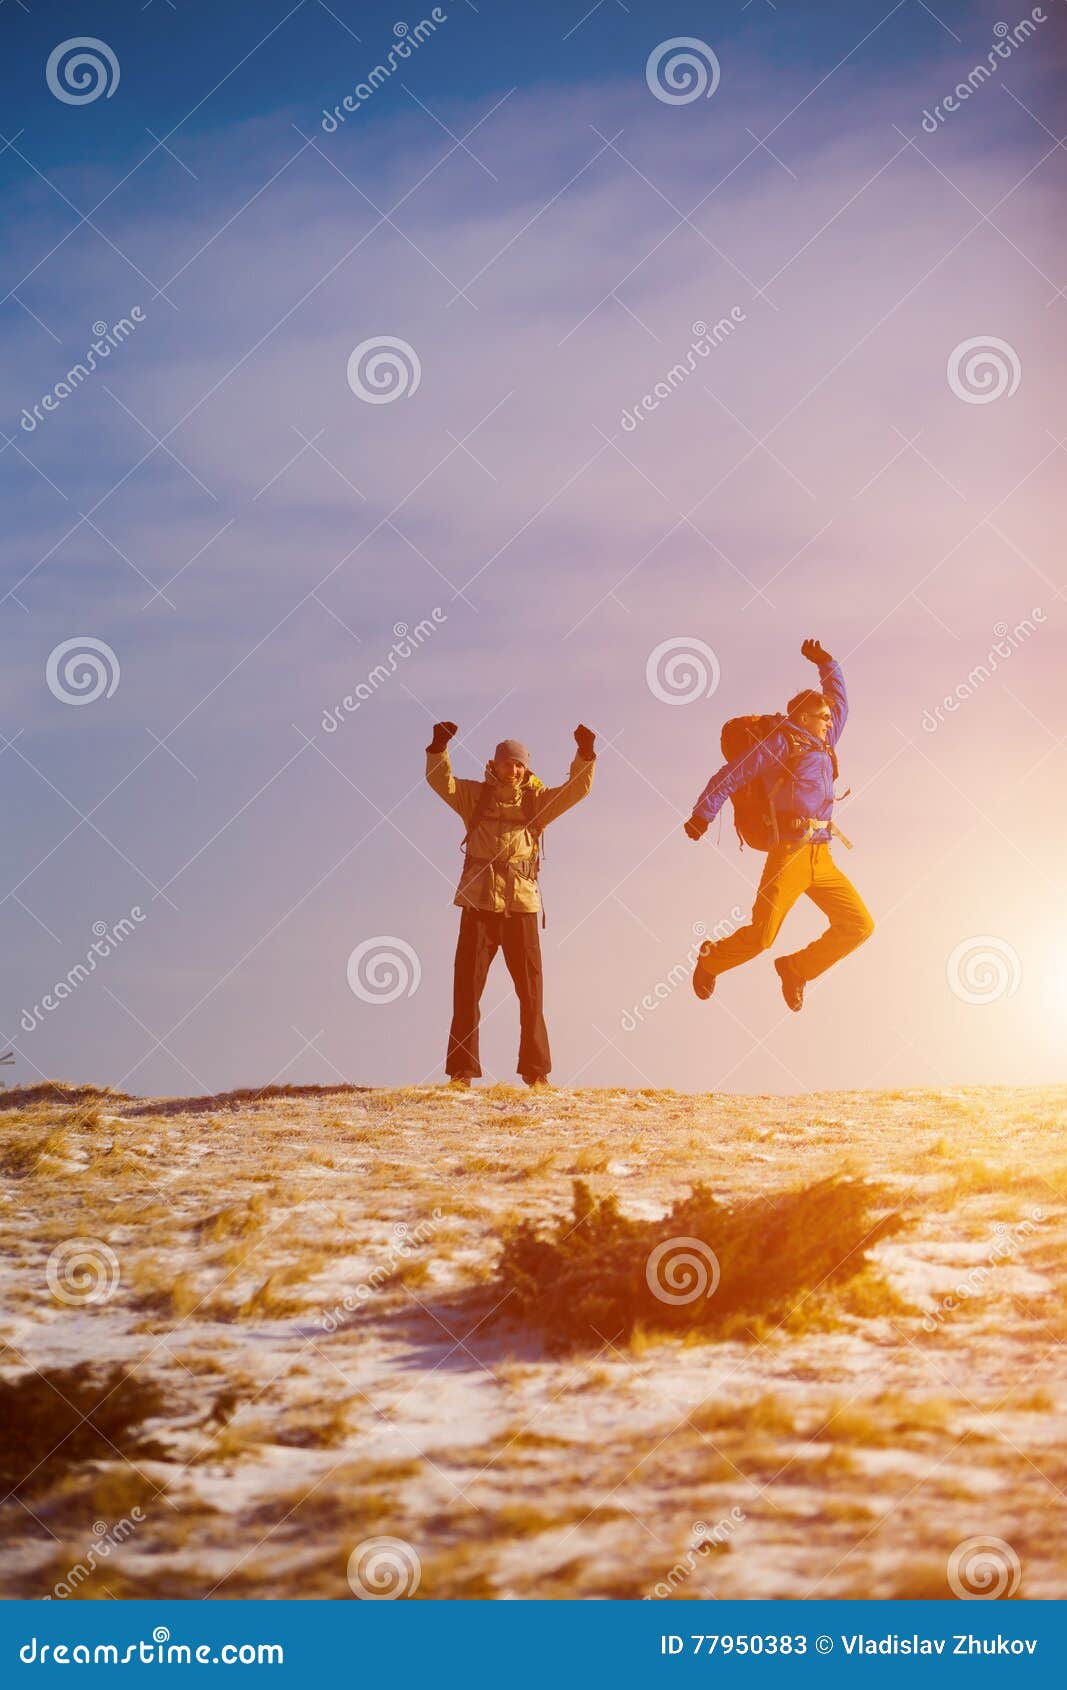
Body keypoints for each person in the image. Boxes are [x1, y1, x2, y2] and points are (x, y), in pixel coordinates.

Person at [683, 638, 874, 1011]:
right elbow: (733, 774)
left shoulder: (824, 743)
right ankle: (710, 960)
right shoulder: (782, 745)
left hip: (822, 857)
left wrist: (827, 662)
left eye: (828, 719)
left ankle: (796, 969)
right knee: (761, 937)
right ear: (803, 717)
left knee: (859, 925)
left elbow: (842, 703)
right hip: (789, 853)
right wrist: (702, 814)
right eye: (822, 717)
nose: (829, 722)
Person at [425, 722, 596, 1087]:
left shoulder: (537, 802)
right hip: (478, 905)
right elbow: (443, 783)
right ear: (494, 765)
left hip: (522, 907)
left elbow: (575, 790)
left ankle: (536, 1073)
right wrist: (439, 747)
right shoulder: (475, 797)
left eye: (519, 764)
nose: (513, 770)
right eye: (507, 763)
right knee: (466, 990)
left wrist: (585, 755)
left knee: (531, 993)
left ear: (526, 768)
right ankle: (461, 1072)